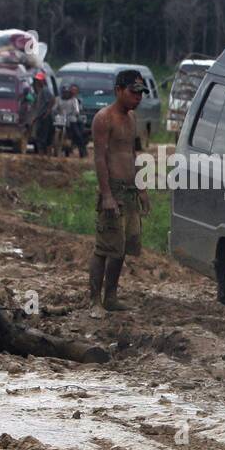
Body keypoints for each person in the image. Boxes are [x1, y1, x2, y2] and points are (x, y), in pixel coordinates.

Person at [89, 69, 150, 315]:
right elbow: (100, 158)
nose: (138, 97)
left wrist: (142, 188)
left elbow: (133, 155)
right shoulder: (104, 118)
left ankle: (111, 296)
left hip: (129, 190)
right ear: (118, 91)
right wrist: (106, 195)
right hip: (112, 189)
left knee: (122, 247)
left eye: (140, 93)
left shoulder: (132, 118)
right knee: (104, 247)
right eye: (133, 92)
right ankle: (95, 301)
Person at [31, 72, 56, 155]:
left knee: (43, 136)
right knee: (40, 135)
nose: (37, 82)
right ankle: (42, 154)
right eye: (36, 80)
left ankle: (43, 155)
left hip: (45, 117)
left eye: (39, 80)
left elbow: (52, 100)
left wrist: (47, 113)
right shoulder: (39, 91)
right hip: (41, 116)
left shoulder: (45, 90)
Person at [65, 84, 87, 158]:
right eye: (72, 90)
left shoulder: (79, 99)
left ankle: (83, 151)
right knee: (77, 135)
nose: (73, 91)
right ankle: (80, 151)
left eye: (75, 90)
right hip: (71, 120)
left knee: (81, 135)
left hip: (79, 119)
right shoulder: (67, 99)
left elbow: (80, 110)